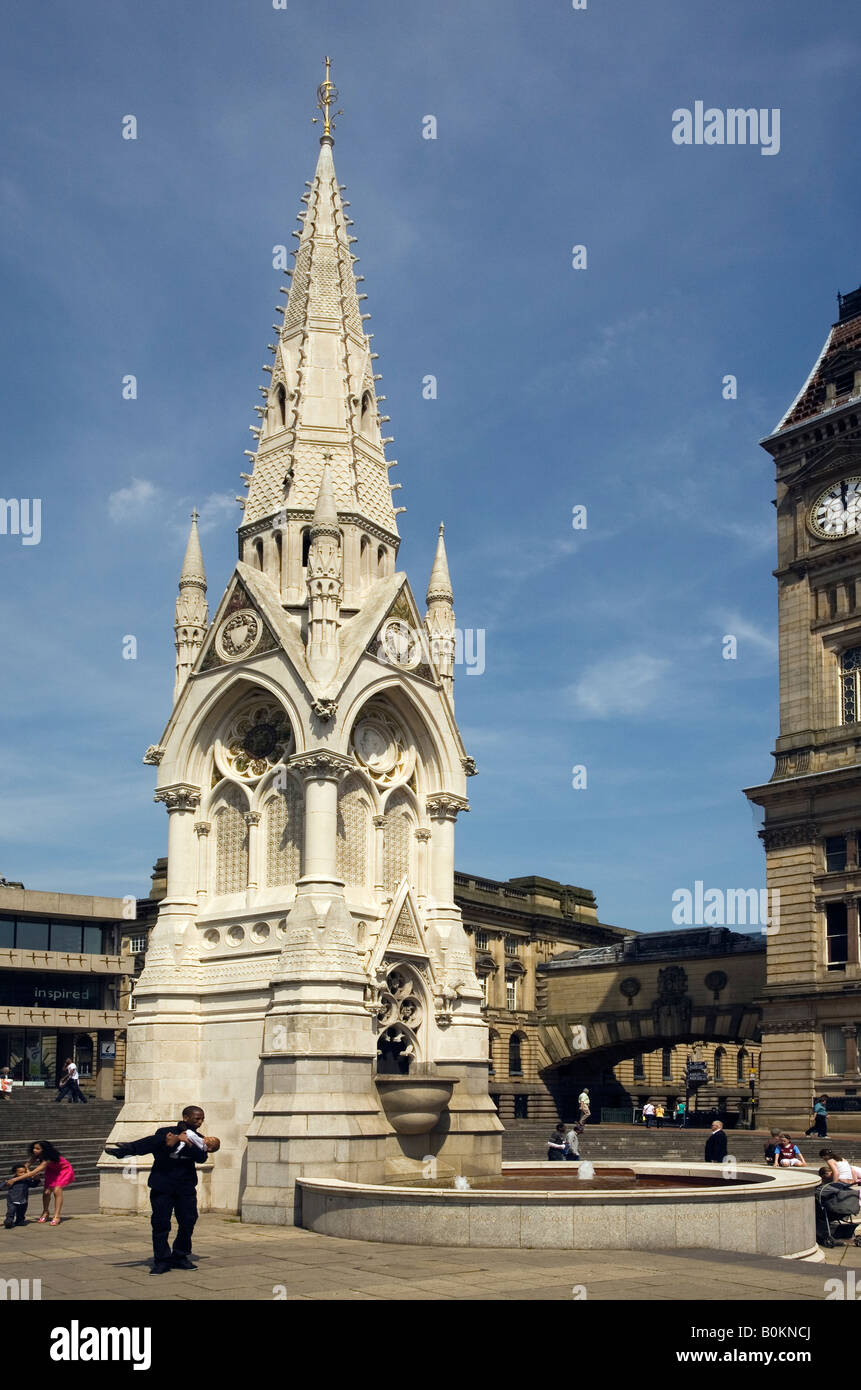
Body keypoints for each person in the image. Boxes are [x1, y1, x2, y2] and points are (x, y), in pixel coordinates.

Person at [105, 1105, 220, 1274]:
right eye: (197, 1118)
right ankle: (162, 1260)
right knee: (160, 1224)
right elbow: (159, 1152)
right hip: (163, 1185)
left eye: (202, 1118)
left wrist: (188, 1143)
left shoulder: (200, 1138)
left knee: (188, 1221)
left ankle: (180, 1256)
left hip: (185, 1187)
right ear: (186, 1118)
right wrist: (174, 1141)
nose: (201, 1121)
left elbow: (202, 1158)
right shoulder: (166, 1131)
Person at [26, 1141, 75, 1224]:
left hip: (63, 1170)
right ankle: (45, 1212)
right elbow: (26, 1166)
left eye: (37, 1149)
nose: (35, 1150)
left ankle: (57, 1216)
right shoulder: (36, 1156)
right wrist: (29, 1173)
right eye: (34, 1148)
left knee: (57, 1190)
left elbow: (35, 1171)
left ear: (44, 1150)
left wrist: (14, 1180)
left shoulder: (48, 1158)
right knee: (46, 1192)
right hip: (51, 1171)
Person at [816, 1165, 860, 1246]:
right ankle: (847, 1235)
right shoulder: (840, 1185)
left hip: (832, 1211)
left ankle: (823, 1234)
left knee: (817, 1213)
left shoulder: (823, 1188)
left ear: (822, 1176)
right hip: (847, 1211)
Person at [3, 1163, 40, 1228]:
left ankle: (19, 1221)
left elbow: (33, 1185)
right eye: (21, 1172)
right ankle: (8, 1221)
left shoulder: (26, 1180)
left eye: (25, 1172)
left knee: (21, 1211)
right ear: (15, 1173)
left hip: (23, 1199)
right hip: (12, 1199)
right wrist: (5, 1183)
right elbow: (2, 1185)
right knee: (11, 1211)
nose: (23, 1174)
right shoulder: (12, 1180)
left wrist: (36, 1179)